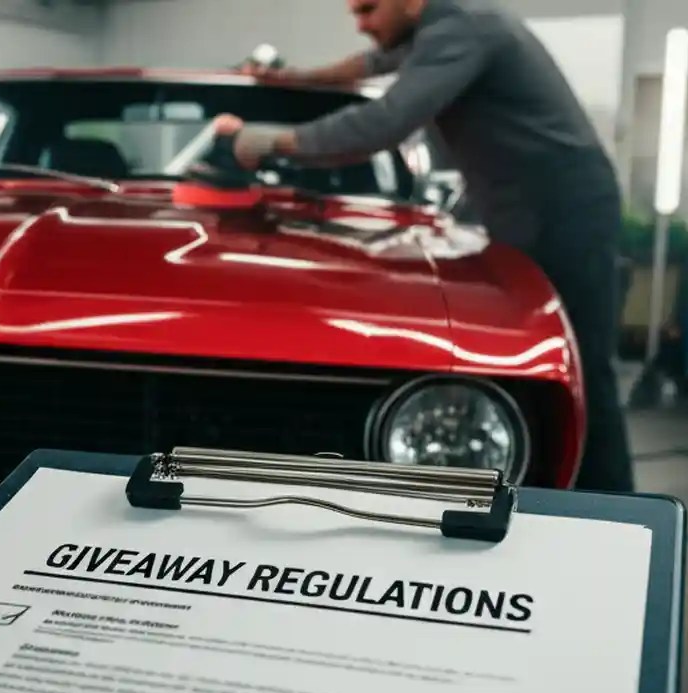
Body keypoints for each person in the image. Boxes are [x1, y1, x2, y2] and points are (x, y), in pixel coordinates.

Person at [219, 0, 634, 493]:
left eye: (368, 9)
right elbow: (367, 65)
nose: (361, 23)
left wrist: (265, 140)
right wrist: (293, 78)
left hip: (566, 209)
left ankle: (614, 517)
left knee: (580, 367)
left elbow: (385, 122)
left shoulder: (465, 29)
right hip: (526, 209)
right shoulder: (433, 35)